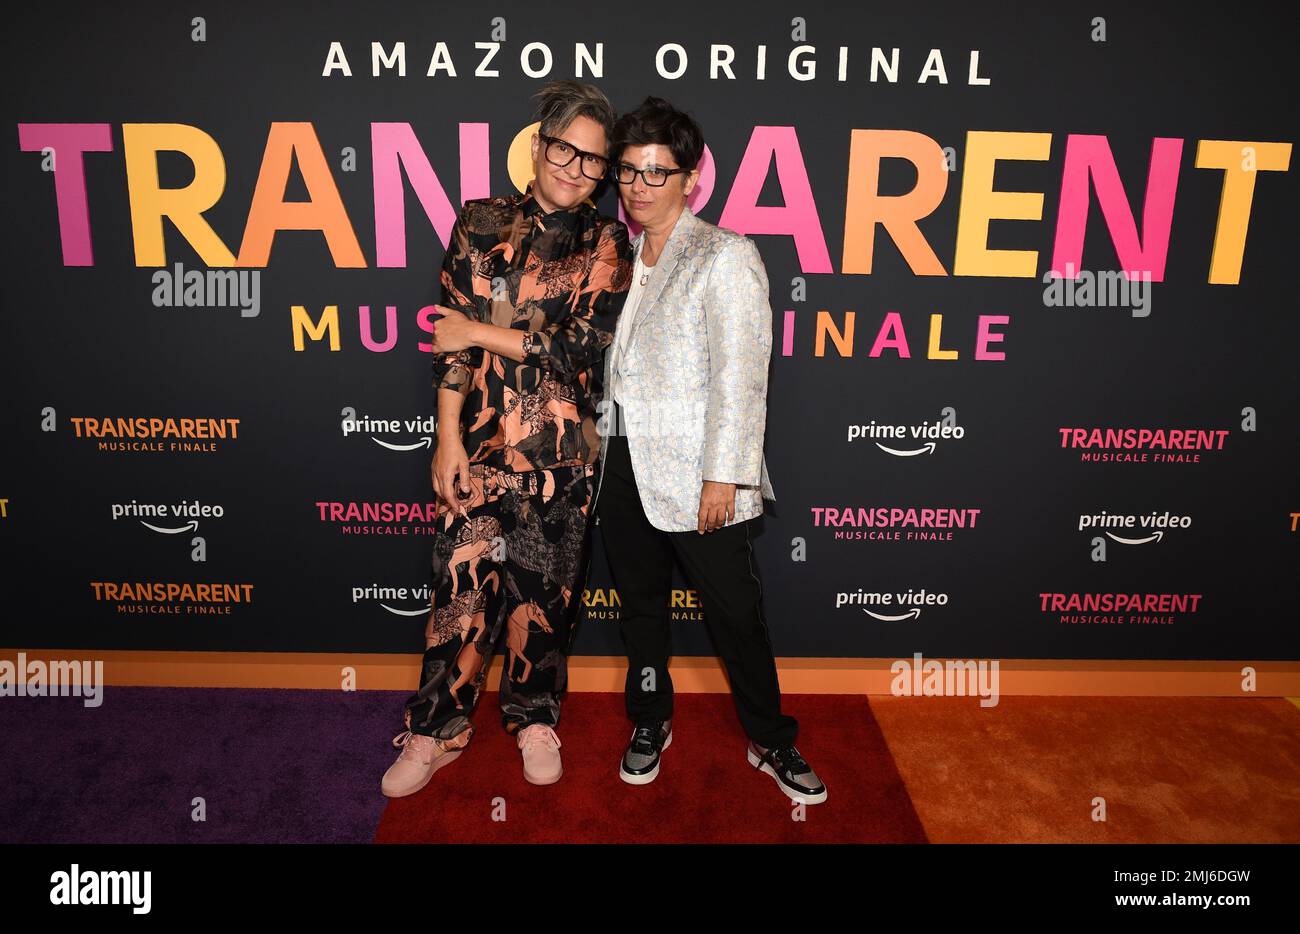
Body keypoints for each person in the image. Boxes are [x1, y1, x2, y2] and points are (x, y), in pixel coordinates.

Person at [382, 80, 632, 796]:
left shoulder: (608, 242)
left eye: (592, 162)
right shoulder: (481, 223)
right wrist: (446, 439)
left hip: (561, 458)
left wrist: (480, 330)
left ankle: (533, 718)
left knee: (544, 598)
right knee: (459, 587)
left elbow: (581, 346)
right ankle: (434, 728)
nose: (573, 168)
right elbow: (448, 345)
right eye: (564, 149)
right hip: (481, 448)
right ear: (540, 142)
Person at [594, 96, 826, 804]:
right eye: (628, 171)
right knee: (640, 610)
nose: (638, 185)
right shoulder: (618, 252)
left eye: (656, 171)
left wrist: (723, 475)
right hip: (620, 463)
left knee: (733, 612)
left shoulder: (725, 255)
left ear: (690, 177)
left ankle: (772, 739)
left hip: (700, 475)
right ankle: (649, 719)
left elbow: (741, 375)